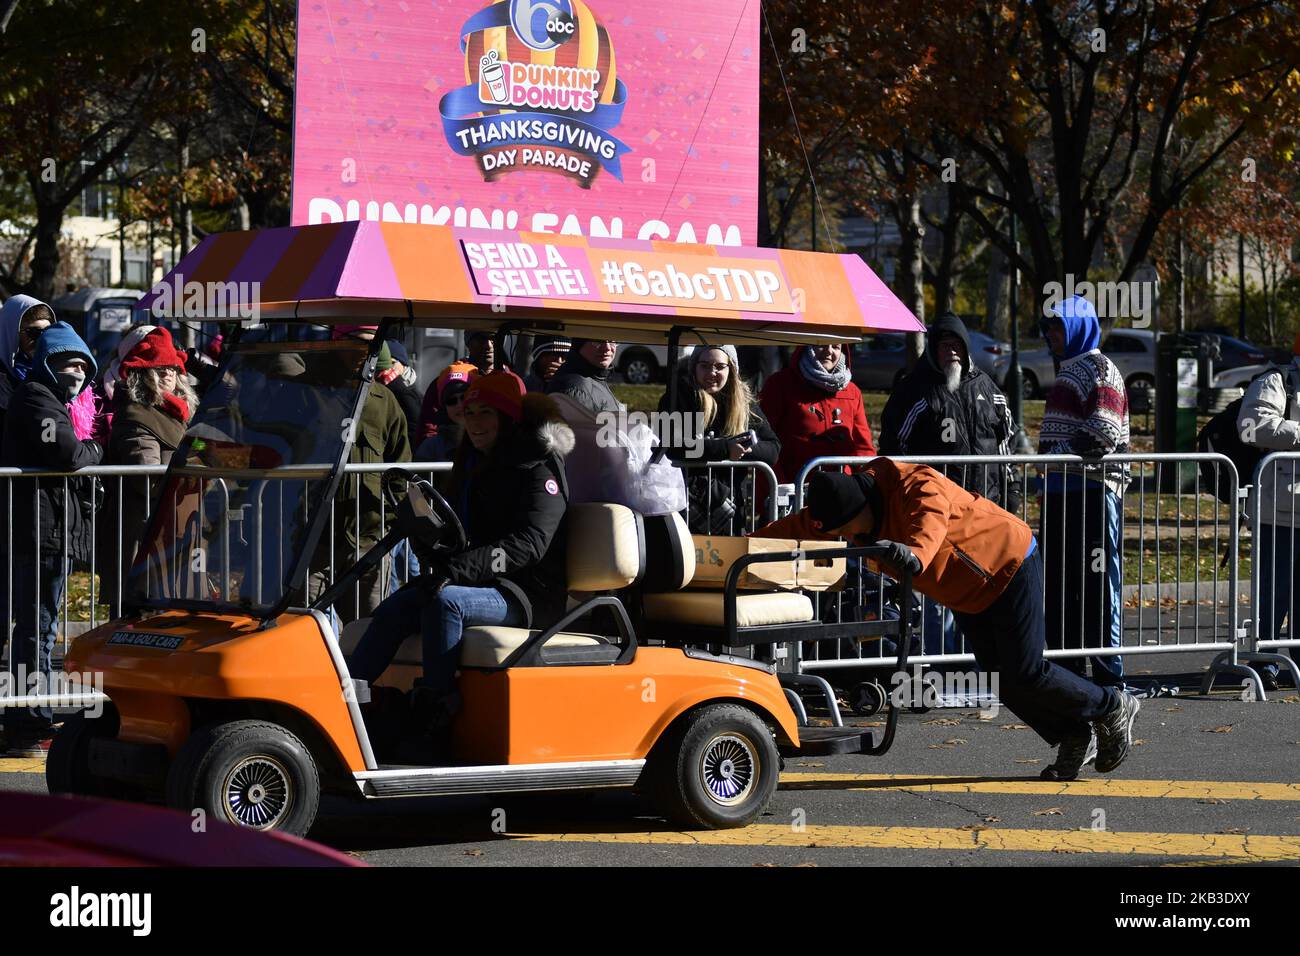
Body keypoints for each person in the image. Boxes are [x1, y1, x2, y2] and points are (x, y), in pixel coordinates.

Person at [754, 464, 1141, 780]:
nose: (841, 538)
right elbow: (795, 528)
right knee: (996, 675)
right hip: (966, 591)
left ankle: (1110, 705)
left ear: (860, 510)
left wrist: (915, 556)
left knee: (1026, 670)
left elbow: (930, 521)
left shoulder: (914, 483)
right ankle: (1072, 734)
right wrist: (741, 550)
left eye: (843, 529)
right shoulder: (841, 509)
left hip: (1007, 562)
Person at [347, 371, 574, 753]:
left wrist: (459, 570)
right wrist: (430, 546)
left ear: (508, 418)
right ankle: (347, 704)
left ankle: (433, 717)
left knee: (444, 603)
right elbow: (462, 534)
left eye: (486, 413)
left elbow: (530, 545)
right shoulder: (472, 464)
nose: (475, 422)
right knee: (399, 606)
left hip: (526, 593)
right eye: (469, 413)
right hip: (478, 582)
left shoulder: (539, 468)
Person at [880, 313, 1021, 658]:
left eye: (956, 346)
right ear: (933, 351)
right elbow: (894, 451)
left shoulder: (989, 388)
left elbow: (1007, 442)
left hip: (984, 514)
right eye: (944, 347)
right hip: (936, 517)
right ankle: (939, 666)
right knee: (939, 595)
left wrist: (1011, 488)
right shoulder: (915, 391)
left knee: (980, 592)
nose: (951, 353)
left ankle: (977, 668)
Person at [0, 322, 103, 755]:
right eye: (67, 363)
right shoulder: (37, 397)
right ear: (47, 362)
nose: (76, 372)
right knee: (37, 630)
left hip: (50, 529)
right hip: (40, 531)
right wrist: (96, 450)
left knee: (40, 627)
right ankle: (29, 720)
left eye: (82, 365)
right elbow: (66, 453)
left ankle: (31, 714)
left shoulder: (48, 398)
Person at [1038, 295, 1130, 689]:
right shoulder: (1068, 370)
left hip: (1092, 492)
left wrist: (1053, 457)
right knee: (1061, 586)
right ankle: (1069, 671)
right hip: (1061, 493)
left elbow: (1104, 431)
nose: (1053, 336)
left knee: (1097, 585)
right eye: (1049, 329)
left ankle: (1109, 678)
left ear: (1077, 326)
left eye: (1059, 327)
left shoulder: (1098, 368)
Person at [307, 337, 411, 622]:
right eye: (356, 342)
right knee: (304, 624)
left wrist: (389, 522)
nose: (365, 352)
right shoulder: (308, 392)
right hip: (314, 539)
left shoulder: (385, 401)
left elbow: (401, 466)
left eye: (371, 345)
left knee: (367, 629)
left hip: (368, 539)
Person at [97, 327, 196, 617]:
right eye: (160, 366)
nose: (169, 373)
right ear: (144, 372)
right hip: (144, 539)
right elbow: (148, 477)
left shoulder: (177, 413)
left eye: (173, 367)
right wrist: (197, 474)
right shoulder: (137, 415)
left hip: (172, 534)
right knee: (137, 627)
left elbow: (227, 387)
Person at [657, 344, 780, 533]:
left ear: (731, 369)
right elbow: (672, 444)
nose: (711, 373)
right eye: (704, 366)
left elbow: (773, 449)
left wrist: (743, 448)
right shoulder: (677, 397)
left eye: (719, 367)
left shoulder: (744, 401)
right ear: (694, 367)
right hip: (685, 507)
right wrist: (724, 448)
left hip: (730, 510)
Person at [1236, 336, 1300, 690]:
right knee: (1272, 594)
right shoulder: (1276, 381)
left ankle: (1294, 664)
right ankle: (1264, 665)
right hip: (1278, 511)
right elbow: (1251, 427)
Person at [759, 343, 876, 484]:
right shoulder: (780, 384)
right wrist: (778, 487)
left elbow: (863, 449)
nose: (829, 351)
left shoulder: (852, 392)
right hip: (794, 490)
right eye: (821, 345)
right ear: (806, 347)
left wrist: (867, 485)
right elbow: (765, 443)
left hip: (843, 490)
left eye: (836, 347)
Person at [0, 295, 55, 441]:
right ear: (11, 332)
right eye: (34, 332)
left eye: (48, 332)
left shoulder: (55, 373)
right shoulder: (3, 380)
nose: (42, 339)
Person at [414, 361, 479, 462]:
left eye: (464, 397)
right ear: (444, 408)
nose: (459, 405)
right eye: (451, 401)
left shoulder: (489, 439)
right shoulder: (431, 448)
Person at [546, 338, 622, 416]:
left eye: (612, 340)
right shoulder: (574, 390)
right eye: (598, 341)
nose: (607, 348)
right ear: (579, 344)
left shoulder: (596, 377)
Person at [378, 338, 422, 439]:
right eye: (383, 363)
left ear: (403, 365)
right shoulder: (379, 390)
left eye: (392, 363)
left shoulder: (413, 394)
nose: (387, 368)